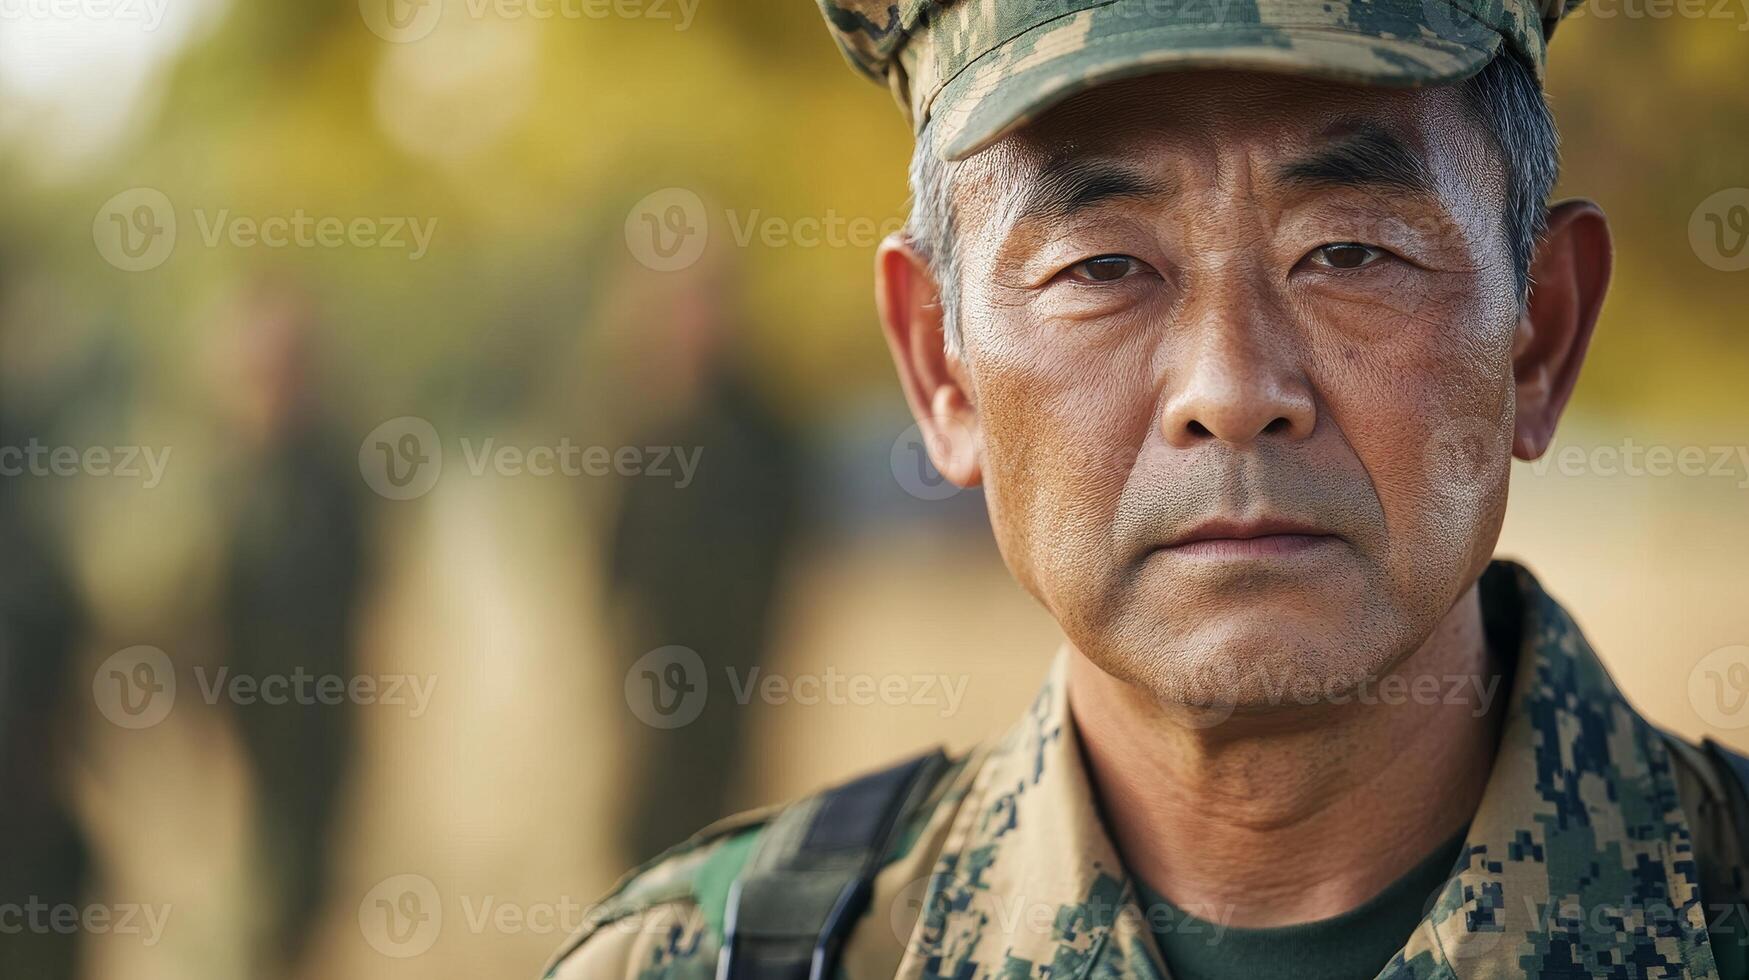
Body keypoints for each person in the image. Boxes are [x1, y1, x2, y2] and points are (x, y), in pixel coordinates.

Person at [545, 3, 1749, 977]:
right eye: (1103, 265)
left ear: (1537, 334)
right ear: (941, 369)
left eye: (1350, 251)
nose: (1231, 388)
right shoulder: (711, 959)